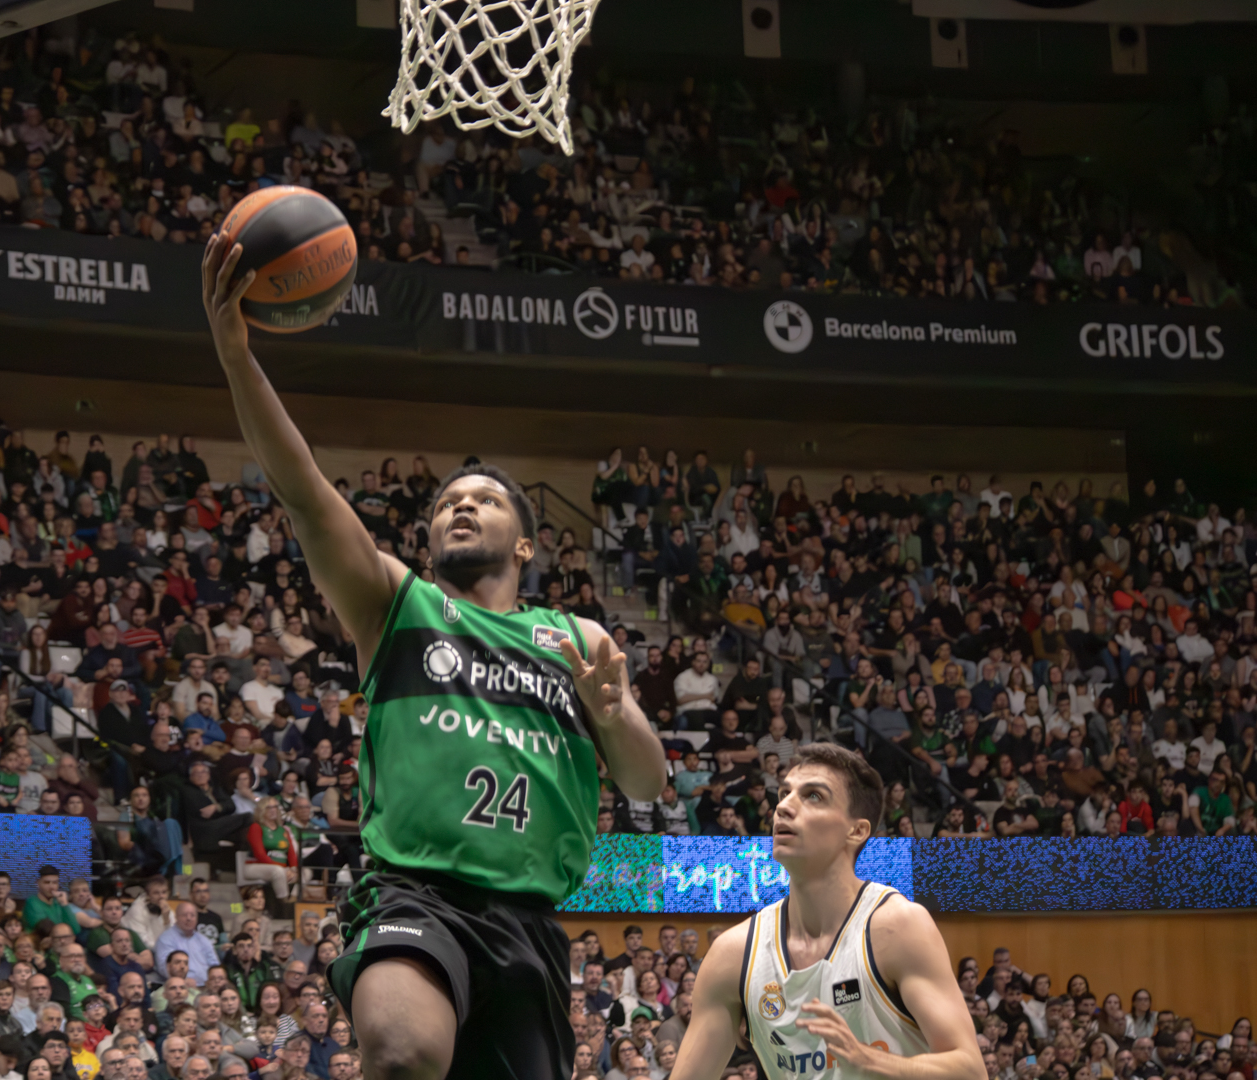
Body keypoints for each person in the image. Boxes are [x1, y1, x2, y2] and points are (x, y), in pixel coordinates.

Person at [202, 234, 665, 1079]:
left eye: (485, 501)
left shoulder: (575, 639)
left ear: (525, 545)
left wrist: (611, 710)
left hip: (527, 917)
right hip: (416, 892)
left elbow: (645, 783)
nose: (463, 508)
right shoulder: (398, 603)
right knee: (403, 1052)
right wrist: (237, 358)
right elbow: (304, 489)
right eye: (449, 502)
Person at [668, 744, 986, 1080]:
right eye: (784, 793)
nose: (784, 807)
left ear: (857, 831)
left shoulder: (897, 927)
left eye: (813, 796)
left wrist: (869, 1060)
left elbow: (970, 1070)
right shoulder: (732, 955)